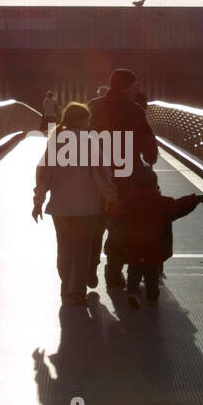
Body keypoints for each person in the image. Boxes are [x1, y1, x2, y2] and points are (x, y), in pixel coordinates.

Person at [32, 101, 115, 306]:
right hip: (87, 208)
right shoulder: (90, 141)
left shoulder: (56, 141)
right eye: (87, 119)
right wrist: (111, 198)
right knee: (81, 250)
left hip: (59, 207)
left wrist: (38, 201)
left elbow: (44, 174)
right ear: (82, 119)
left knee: (64, 247)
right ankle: (76, 291)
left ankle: (65, 285)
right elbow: (101, 174)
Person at [88, 68, 158, 289]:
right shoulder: (135, 111)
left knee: (94, 223)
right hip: (125, 177)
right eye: (135, 85)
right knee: (120, 224)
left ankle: (90, 267)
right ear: (127, 86)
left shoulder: (93, 106)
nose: (138, 88)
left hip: (95, 174)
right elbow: (148, 146)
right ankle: (114, 271)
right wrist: (149, 156)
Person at [109, 164, 203, 308]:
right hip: (154, 246)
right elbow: (179, 206)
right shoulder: (163, 202)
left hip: (133, 245)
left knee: (134, 270)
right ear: (155, 184)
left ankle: (133, 292)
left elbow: (115, 215)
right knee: (152, 273)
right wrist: (194, 199)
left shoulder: (128, 202)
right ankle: (152, 296)